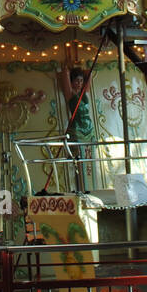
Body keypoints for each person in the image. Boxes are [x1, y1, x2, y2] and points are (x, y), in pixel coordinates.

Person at [59, 56, 95, 192]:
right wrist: (66, 70)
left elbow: (89, 77)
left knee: (89, 159)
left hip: (88, 128)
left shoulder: (84, 94)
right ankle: (81, 187)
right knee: (79, 159)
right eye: (76, 81)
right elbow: (65, 78)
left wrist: (86, 67)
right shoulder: (71, 95)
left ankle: (90, 186)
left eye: (81, 81)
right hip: (78, 128)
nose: (79, 83)